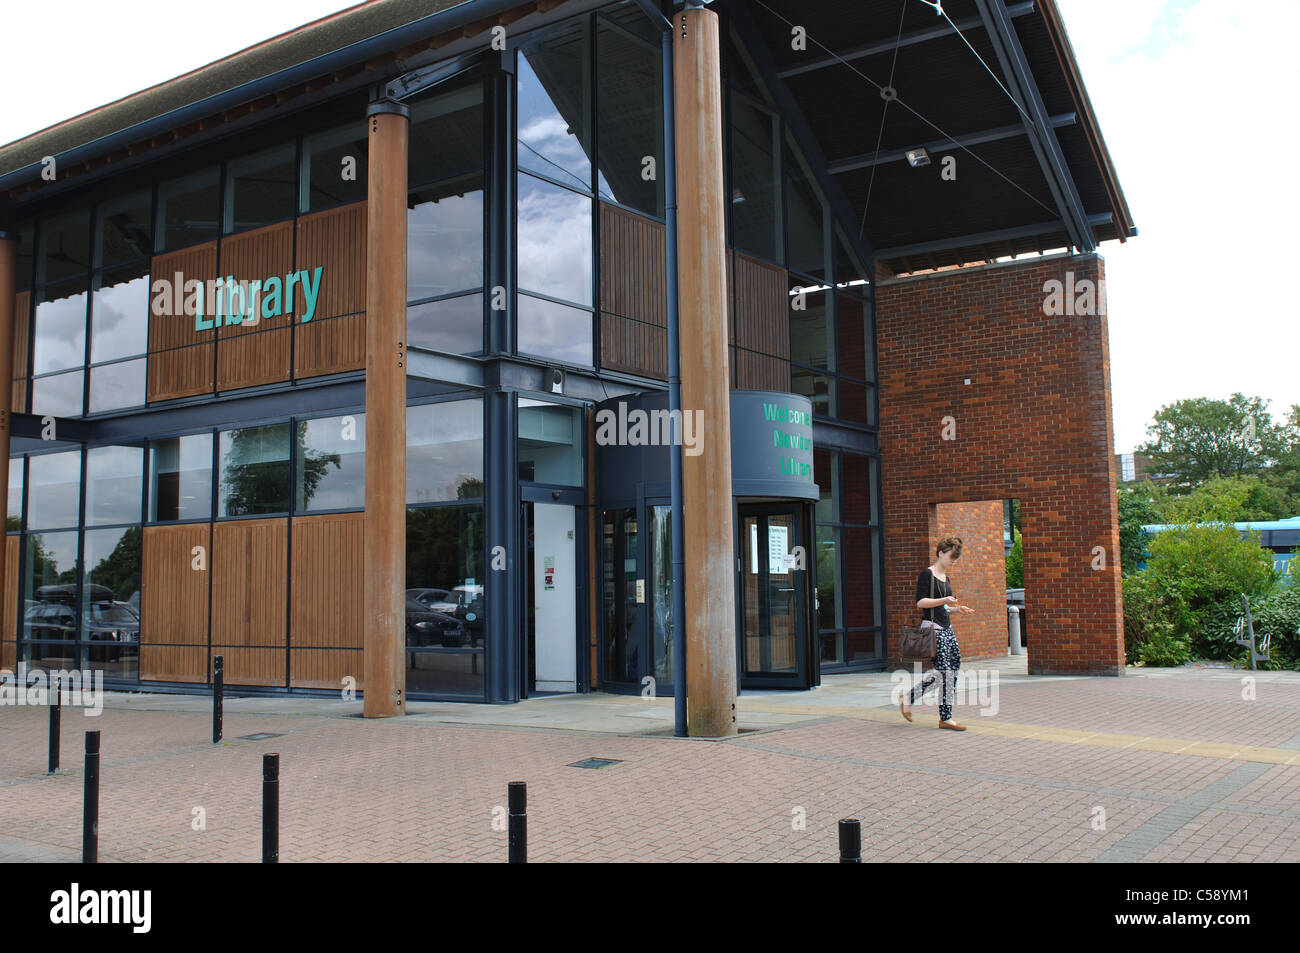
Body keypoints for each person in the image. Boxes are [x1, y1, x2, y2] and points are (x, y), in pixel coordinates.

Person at [900, 536, 975, 729]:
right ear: (941, 553)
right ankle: (914, 700)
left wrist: (956, 609)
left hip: (947, 629)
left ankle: (943, 716)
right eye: (951, 557)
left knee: (953, 669)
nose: (953, 561)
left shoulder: (946, 578)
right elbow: (921, 603)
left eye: (956, 559)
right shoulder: (927, 574)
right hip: (934, 629)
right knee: (943, 672)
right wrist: (944, 600)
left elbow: (942, 608)